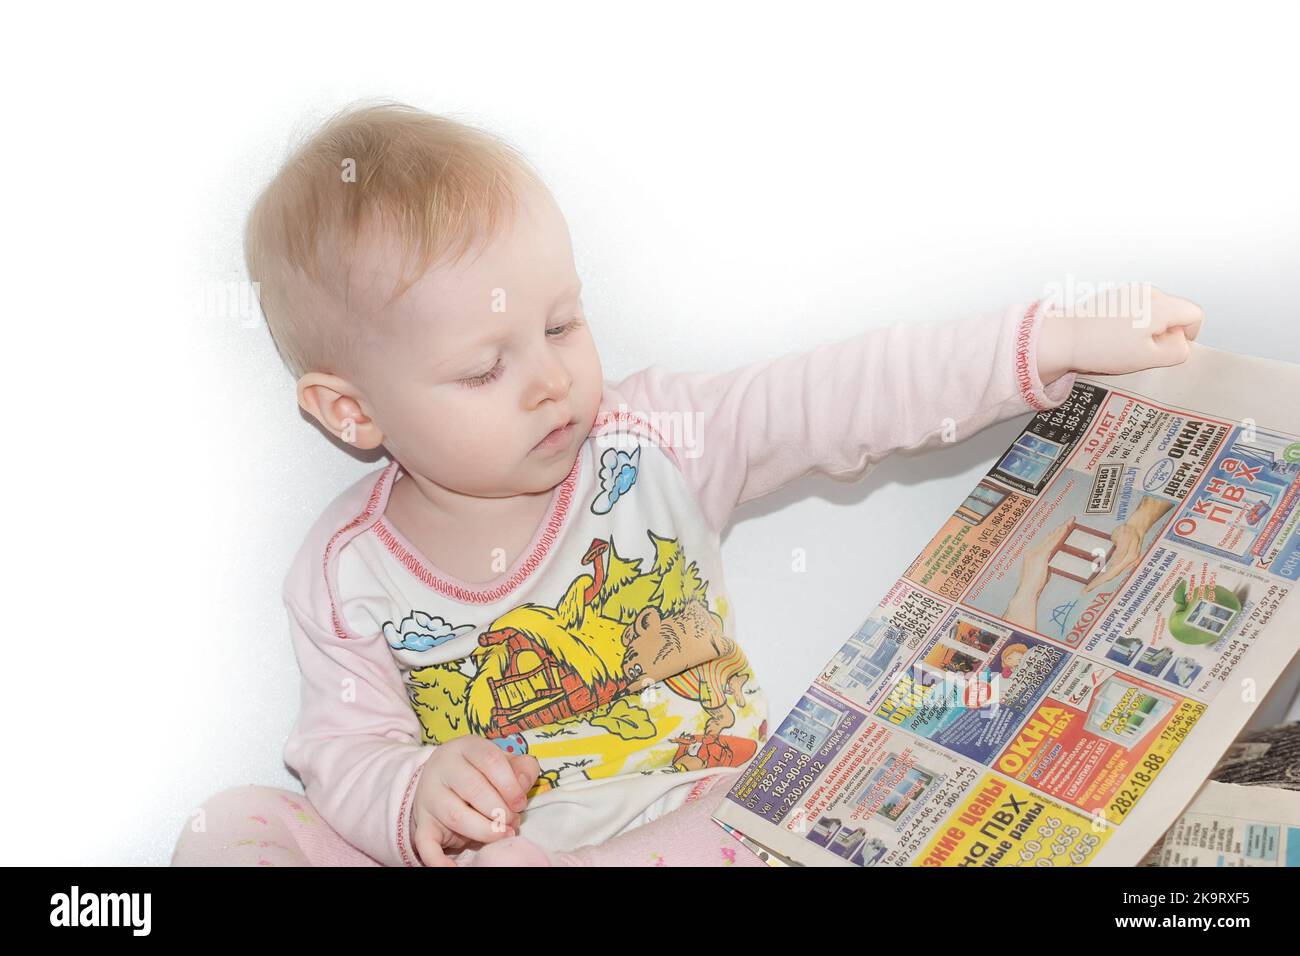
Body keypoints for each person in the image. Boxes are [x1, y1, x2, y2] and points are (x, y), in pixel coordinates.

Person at [171, 100, 1205, 867]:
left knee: (771, 816)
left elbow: (840, 395)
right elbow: (343, 750)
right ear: (350, 411)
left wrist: (1049, 339)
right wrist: (416, 790)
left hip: (688, 819)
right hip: (483, 849)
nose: (548, 379)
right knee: (232, 827)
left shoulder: (652, 440)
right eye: (485, 367)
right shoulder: (345, 571)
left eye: (562, 322)